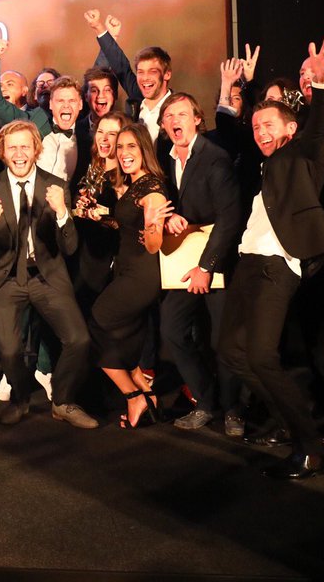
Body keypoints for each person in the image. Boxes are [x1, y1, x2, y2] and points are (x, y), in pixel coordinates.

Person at [218, 39, 324, 479]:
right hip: (248, 263)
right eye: (256, 127)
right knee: (231, 352)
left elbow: (318, 126)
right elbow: (239, 129)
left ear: (290, 127)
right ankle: (291, 417)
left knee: (261, 356)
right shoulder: (266, 163)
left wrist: (322, 86)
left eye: (269, 125)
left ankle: (310, 449)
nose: (260, 132)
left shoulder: (304, 153)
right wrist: (242, 92)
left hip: (276, 267)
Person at [0, 121, 96, 429]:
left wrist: (62, 212)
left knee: (79, 339)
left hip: (46, 275)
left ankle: (62, 401)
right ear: (2, 152)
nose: (19, 153)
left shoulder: (56, 186)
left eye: (25, 146)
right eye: (12, 147)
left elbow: (69, 247)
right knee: (8, 349)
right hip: (7, 278)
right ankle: (20, 399)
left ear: (36, 149)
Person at [156, 92, 243, 434]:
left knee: (223, 340)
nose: (174, 120)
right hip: (184, 257)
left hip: (216, 261)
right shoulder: (165, 158)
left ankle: (234, 409)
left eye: (181, 114)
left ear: (196, 119)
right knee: (171, 328)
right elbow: (164, 201)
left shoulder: (215, 158)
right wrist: (169, 217)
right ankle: (206, 401)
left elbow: (230, 219)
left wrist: (207, 267)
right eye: (168, 116)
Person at [90, 123, 172, 428]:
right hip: (128, 270)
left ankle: (133, 393)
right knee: (125, 335)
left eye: (131, 147)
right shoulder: (136, 183)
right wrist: (101, 218)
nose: (124, 153)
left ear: (144, 150)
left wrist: (152, 226)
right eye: (120, 147)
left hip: (140, 276)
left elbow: (153, 245)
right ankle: (146, 393)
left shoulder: (152, 189)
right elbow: (126, 225)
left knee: (98, 320)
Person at [72, 112, 128, 321]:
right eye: (100, 132)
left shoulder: (128, 174)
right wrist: (80, 205)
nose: (104, 138)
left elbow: (126, 223)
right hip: (84, 252)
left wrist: (103, 215)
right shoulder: (94, 165)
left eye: (112, 134)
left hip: (108, 259)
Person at [84, 10, 172, 140]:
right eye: (140, 72)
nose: (145, 78)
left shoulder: (179, 107)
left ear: (167, 74)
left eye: (152, 71)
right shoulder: (137, 98)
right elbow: (121, 66)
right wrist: (99, 27)